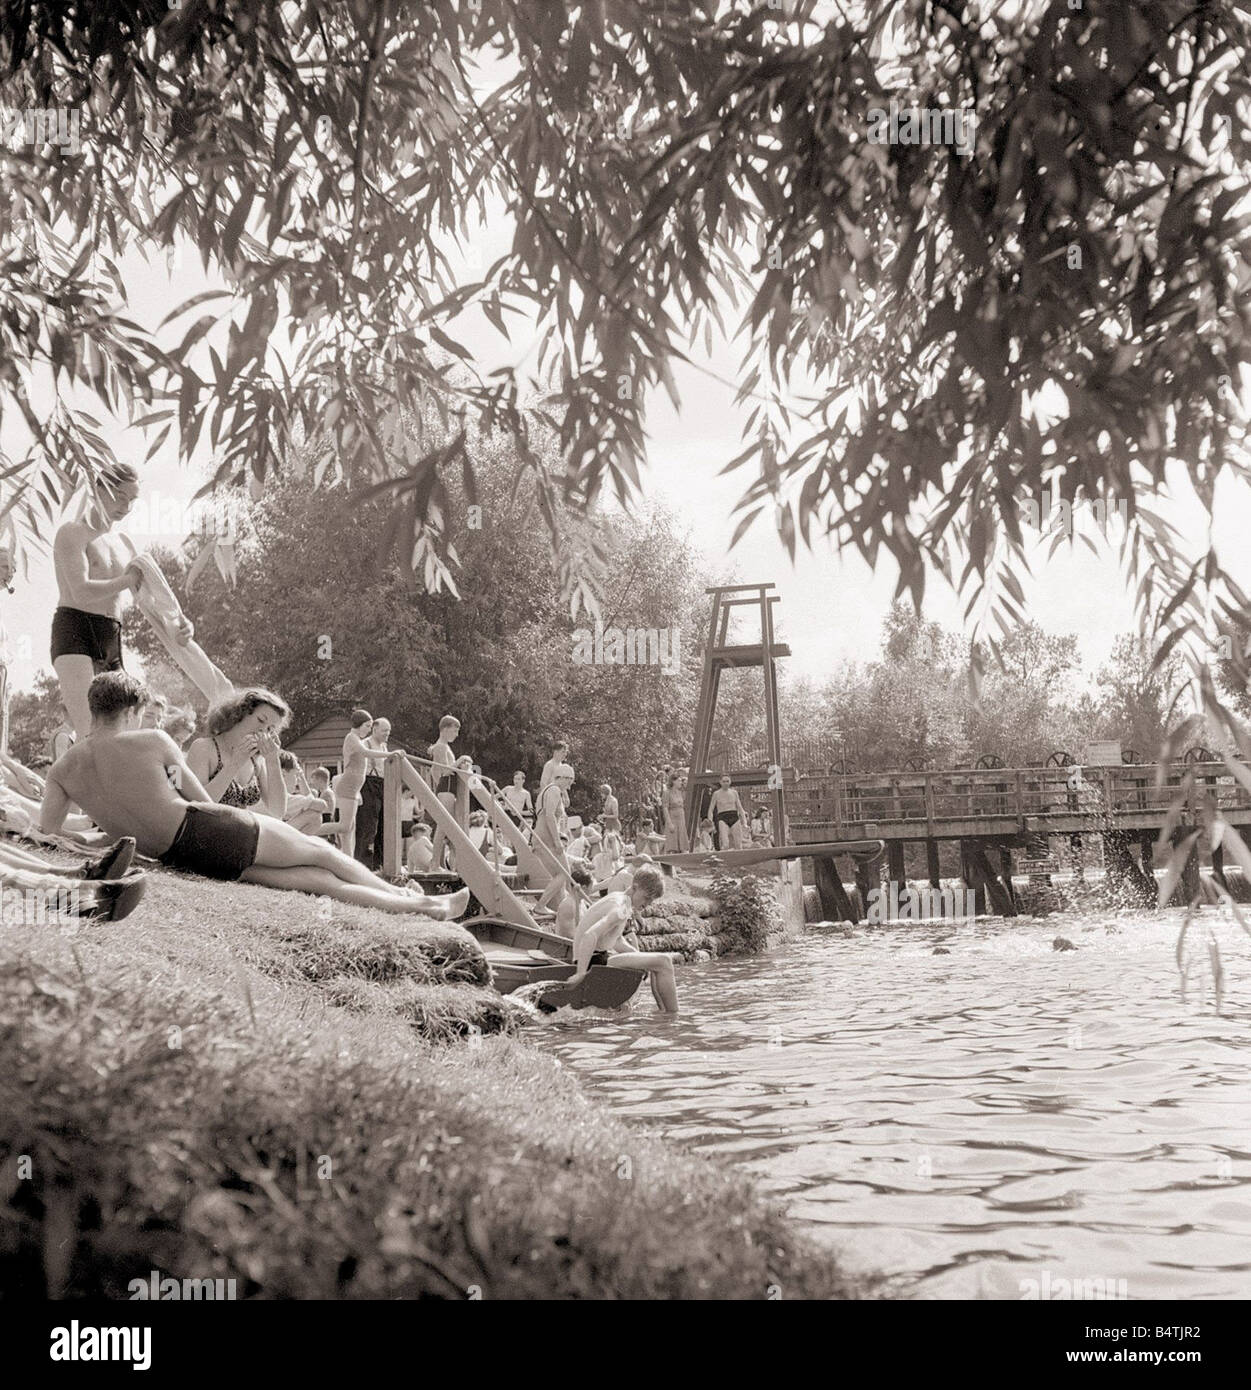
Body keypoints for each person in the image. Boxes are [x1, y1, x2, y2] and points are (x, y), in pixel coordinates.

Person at [39, 672, 470, 918]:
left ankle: (425, 908)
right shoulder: (152, 740)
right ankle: (419, 902)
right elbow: (199, 801)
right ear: (133, 710)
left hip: (181, 857)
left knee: (319, 884)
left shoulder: (63, 770)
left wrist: (100, 837)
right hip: (209, 827)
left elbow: (51, 835)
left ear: (93, 710)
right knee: (326, 858)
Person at [50, 463, 191, 736]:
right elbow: (80, 590)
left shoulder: (124, 542)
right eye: (119, 496)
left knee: (126, 727)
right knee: (89, 730)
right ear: (97, 489)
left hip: (112, 635)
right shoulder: (72, 532)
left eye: (132, 499)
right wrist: (125, 581)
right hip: (75, 629)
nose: (125, 506)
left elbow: (151, 596)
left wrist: (179, 624)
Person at [564, 864, 678, 1013]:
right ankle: (672, 1016)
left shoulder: (621, 900)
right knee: (664, 962)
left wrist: (639, 956)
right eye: (647, 897)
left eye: (652, 900)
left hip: (597, 958)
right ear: (634, 887)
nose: (648, 903)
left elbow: (616, 940)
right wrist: (580, 973)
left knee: (655, 963)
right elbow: (590, 935)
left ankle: (663, 1012)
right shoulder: (620, 907)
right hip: (592, 962)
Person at [186, 688, 290, 820]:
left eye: (270, 729)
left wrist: (273, 761)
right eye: (261, 720)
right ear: (241, 713)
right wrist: (235, 764)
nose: (263, 730)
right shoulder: (204, 747)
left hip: (241, 834)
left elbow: (278, 812)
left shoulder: (257, 759)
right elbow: (197, 808)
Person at [332, 709, 393, 855]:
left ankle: (348, 860)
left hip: (355, 789)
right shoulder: (351, 737)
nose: (368, 730)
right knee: (344, 826)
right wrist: (391, 754)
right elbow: (366, 753)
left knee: (350, 828)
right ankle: (308, 831)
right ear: (359, 724)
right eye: (367, 726)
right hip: (348, 786)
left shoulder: (357, 739)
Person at [534, 762, 575, 914]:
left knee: (563, 876)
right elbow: (549, 815)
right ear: (564, 778)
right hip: (546, 839)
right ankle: (540, 906)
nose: (570, 785)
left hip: (545, 838)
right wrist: (557, 841)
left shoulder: (549, 790)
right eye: (570, 781)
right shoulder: (554, 790)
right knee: (563, 874)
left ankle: (565, 908)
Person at [355, 715, 391, 868]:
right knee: (368, 825)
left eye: (388, 731)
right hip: (368, 783)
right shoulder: (365, 743)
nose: (387, 734)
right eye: (384, 731)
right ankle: (363, 864)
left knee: (383, 825)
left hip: (382, 784)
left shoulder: (384, 747)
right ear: (374, 729)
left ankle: (379, 864)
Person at [427, 715, 461, 871]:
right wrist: (461, 760)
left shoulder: (442, 746)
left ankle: (453, 864)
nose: (457, 734)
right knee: (443, 825)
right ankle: (435, 863)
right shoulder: (441, 747)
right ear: (445, 729)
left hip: (447, 789)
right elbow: (445, 771)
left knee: (450, 827)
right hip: (446, 789)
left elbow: (435, 771)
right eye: (454, 730)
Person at [279, 751, 332, 836]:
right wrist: (302, 778)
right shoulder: (281, 796)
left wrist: (301, 777)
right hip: (267, 841)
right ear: (283, 774)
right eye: (296, 775)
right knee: (315, 816)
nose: (297, 780)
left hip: (263, 837)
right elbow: (321, 805)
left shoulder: (268, 789)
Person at [555, 864, 593, 939]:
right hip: (567, 947)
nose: (591, 891)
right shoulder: (568, 905)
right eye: (591, 888)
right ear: (584, 888)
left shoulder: (582, 903)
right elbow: (568, 934)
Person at [709, 774, 746, 850]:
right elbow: (711, 809)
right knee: (725, 844)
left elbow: (740, 808)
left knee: (738, 844)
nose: (725, 783)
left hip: (734, 817)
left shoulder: (734, 792)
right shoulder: (716, 794)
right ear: (720, 782)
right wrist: (710, 821)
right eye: (724, 781)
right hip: (722, 817)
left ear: (730, 782)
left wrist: (744, 822)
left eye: (727, 781)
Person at [663, 771, 690, 853]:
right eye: (679, 781)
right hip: (673, 817)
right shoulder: (667, 792)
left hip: (681, 817)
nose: (680, 783)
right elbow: (665, 808)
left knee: (682, 841)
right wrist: (669, 823)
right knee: (672, 841)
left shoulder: (680, 792)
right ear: (673, 781)